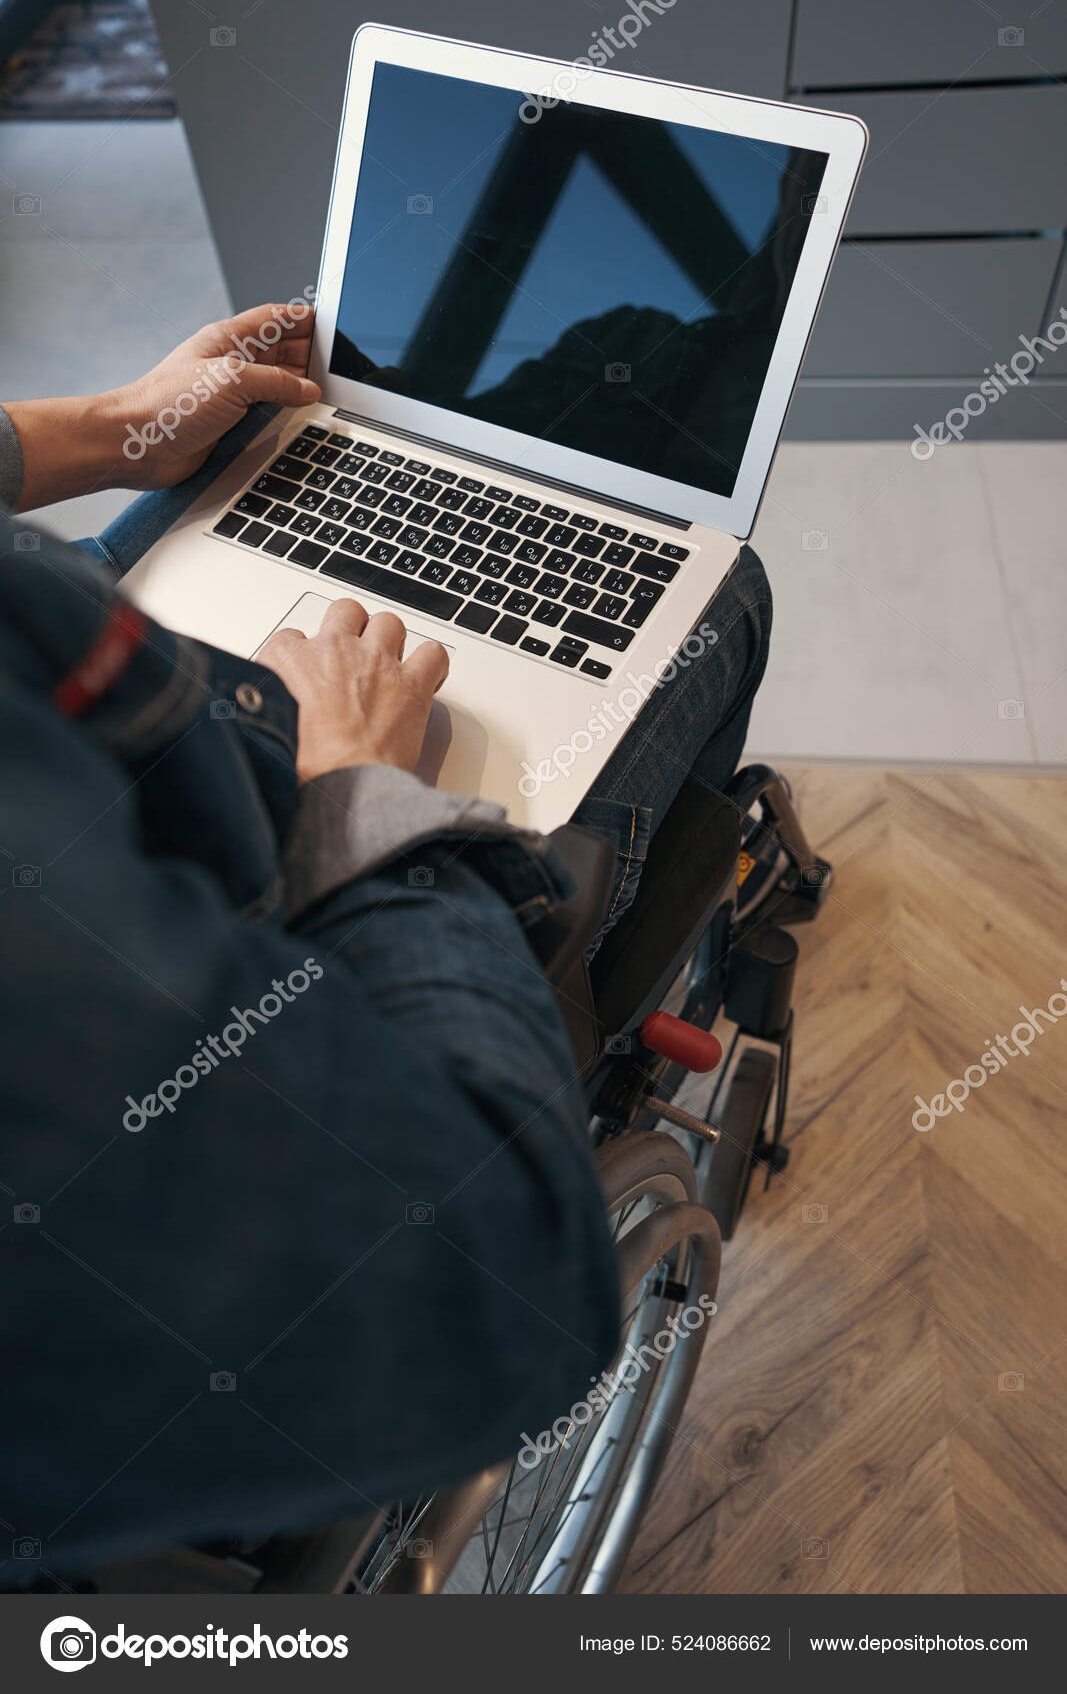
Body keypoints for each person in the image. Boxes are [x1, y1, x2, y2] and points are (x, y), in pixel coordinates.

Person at [0, 304, 771, 1585]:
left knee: (347, 440)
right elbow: (495, 1290)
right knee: (715, 578)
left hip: (99, 688)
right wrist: (357, 787)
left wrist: (112, 435)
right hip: (277, 874)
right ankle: (632, 1002)